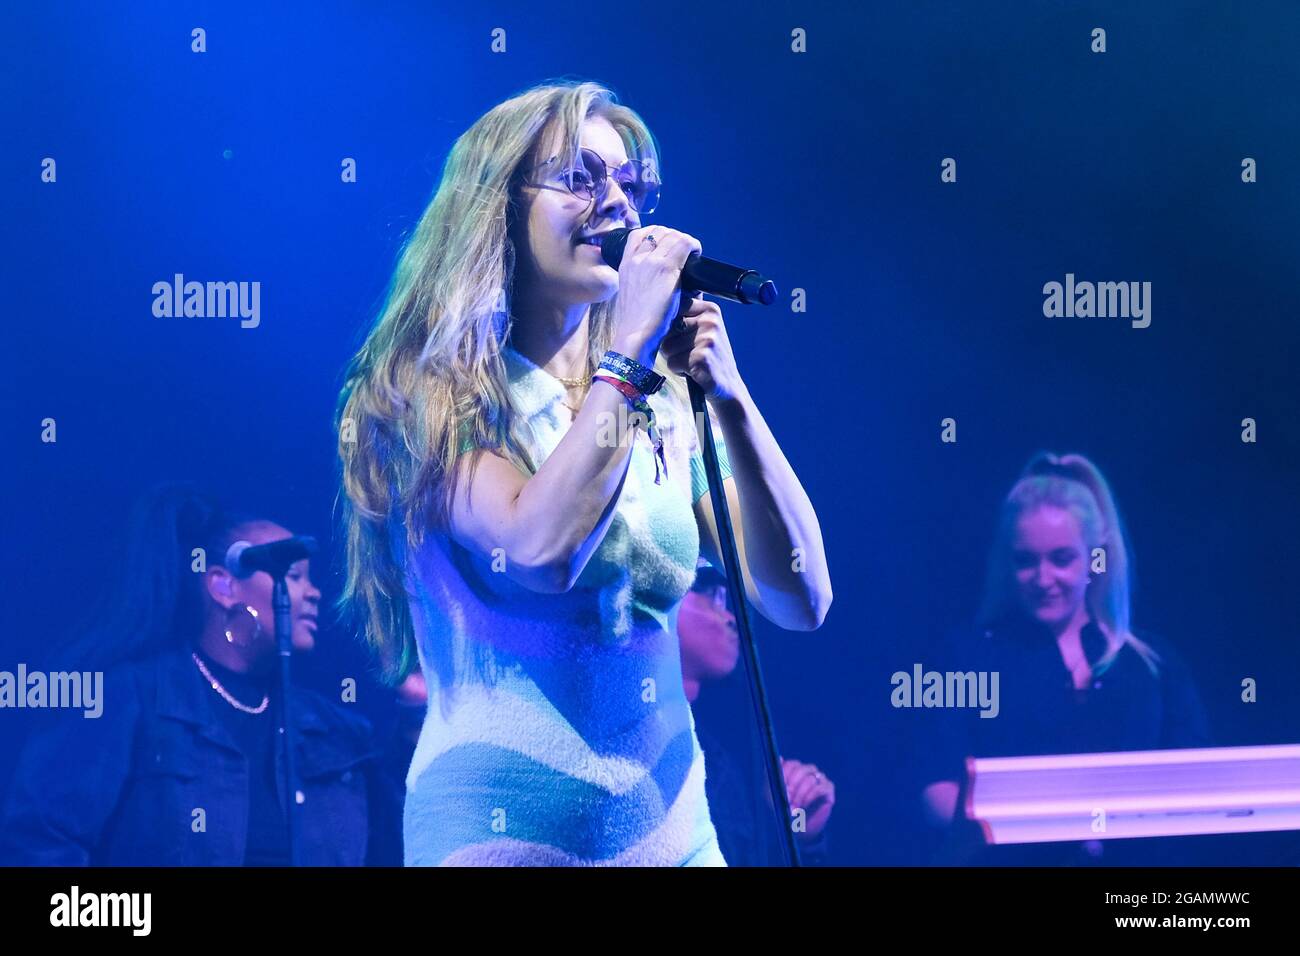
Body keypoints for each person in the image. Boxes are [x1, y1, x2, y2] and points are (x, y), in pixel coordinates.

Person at [335, 80, 832, 866]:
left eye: (631, 186)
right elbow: (539, 550)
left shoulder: (659, 402)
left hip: (676, 842)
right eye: (581, 178)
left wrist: (732, 400)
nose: (619, 207)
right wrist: (630, 351)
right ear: (498, 203)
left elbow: (800, 595)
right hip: (498, 842)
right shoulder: (425, 394)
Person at [0, 483, 380, 866]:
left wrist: (415, 720)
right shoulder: (128, 698)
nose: (313, 592)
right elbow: (41, 843)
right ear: (223, 586)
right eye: (294, 576)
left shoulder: (331, 729)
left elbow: (397, 844)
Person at [917, 452, 1210, 865]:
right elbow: (934, 788)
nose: (1043, 579)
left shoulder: (1154, 664)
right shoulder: (965, 656)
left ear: (1094, 556)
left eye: (1061, 559)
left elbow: (1198, 786)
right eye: (1025, 561)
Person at [678, 561, 836, 865]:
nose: (731, 618)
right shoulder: (624, 733)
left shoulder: (722, 758)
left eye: (727, 600)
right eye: (709, 593)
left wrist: (801, 837)